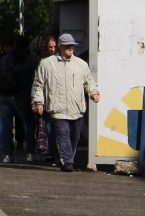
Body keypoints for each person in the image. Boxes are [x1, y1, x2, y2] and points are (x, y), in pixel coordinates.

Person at [31, 33, 99, 172]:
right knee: (63, 134)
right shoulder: (47, 64)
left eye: (72, 46)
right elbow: (39, 85)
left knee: (74, 136)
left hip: (76, 109)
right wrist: (39, 102)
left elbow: (89, 82)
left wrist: (94, 92)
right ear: (60, 46)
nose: (70, 48)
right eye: (67, 46)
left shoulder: (81, 64)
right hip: (57, 108)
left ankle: (68, 157)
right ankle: (67, 161)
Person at [0, 34, 38, 164]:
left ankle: (8, 154)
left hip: (4, 95)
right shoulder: (30, 60)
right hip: (22, 96)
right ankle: (30, 153)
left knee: (6, 126)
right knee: (28, 123)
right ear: (27, 46)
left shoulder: (4, 60)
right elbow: (36, 78)